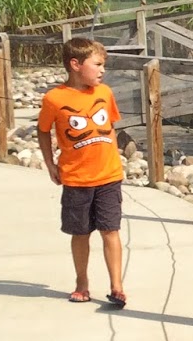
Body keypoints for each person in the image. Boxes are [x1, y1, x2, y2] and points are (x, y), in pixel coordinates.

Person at [38, 37, 127, 308]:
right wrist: (50, 164)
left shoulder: (105, 93)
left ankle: (117, 286)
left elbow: (110, 126)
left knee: (110, 230)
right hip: (76, 179)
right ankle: (82, 282)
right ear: (75, 64)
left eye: (104, 65)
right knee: (81, 233)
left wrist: (114, 156)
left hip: (109, 176)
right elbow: (43, 131)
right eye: (97, 64)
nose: (102, 71)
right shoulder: (55, 98)